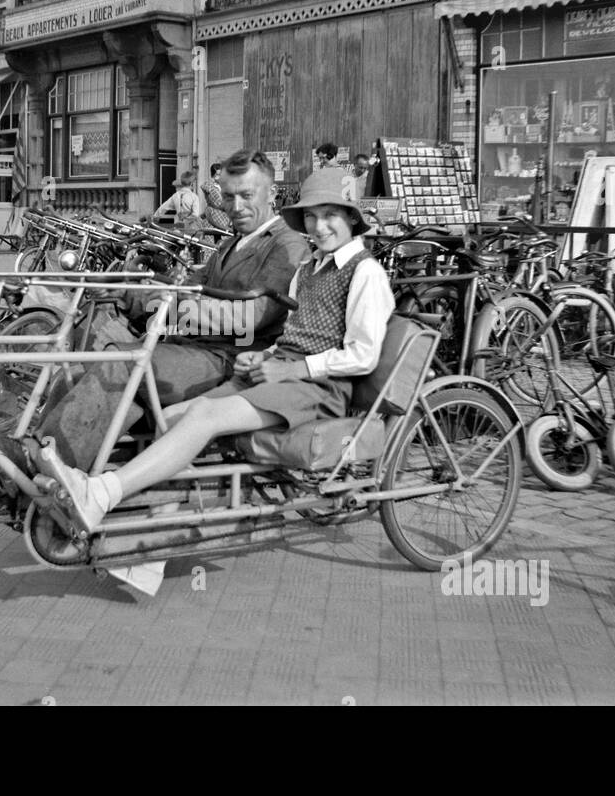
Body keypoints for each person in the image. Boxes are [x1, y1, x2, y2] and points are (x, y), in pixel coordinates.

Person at [34, 165, 395, 595]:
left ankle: (101, 495)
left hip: (317, 386)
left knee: (202, 415)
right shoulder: (313, 267)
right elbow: (292, 332)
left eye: (330, 215)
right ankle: (154, 546)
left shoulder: (365, 271)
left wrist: (290, 367)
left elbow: (362, 354)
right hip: (278, 369)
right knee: (171, 417)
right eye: (313, 217)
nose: (320, 226)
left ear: (351, 217)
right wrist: (263, 357)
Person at [35, 149, 311, 473]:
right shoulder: (231, 243)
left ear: (272, 193)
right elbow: (184, 288)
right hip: (192, 349)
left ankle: (48, 467)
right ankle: (43, 449)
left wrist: (174, 303)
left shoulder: (286, 243)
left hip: (232, 361)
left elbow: (251, 319)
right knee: (80, 370)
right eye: (229, 197)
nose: (236, 207)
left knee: (120, 365)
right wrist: (127, 294)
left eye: (247, 196)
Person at [199, 162, 231, 232]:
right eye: (217, 174)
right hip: (214, 216)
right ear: (213, 175)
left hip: (225, 218)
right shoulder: (210, 186)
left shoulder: (224, 185)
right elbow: (218, 202)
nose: (220, 177)